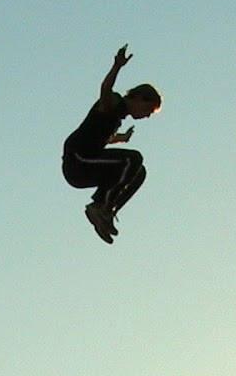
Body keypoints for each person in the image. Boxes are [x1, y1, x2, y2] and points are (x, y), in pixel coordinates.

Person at [61, 45, 162, 243]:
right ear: (139, 98)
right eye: (147, 109)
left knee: (139, 172)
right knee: (133, 159)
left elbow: (99, 138)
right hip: (78, 159)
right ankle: (100, 205)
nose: (146, 116)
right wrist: (117, 67)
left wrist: (119, 139)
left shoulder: (116, 119)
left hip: (87, 164)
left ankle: (106, 213)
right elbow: (105, 90)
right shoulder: (113, 103)